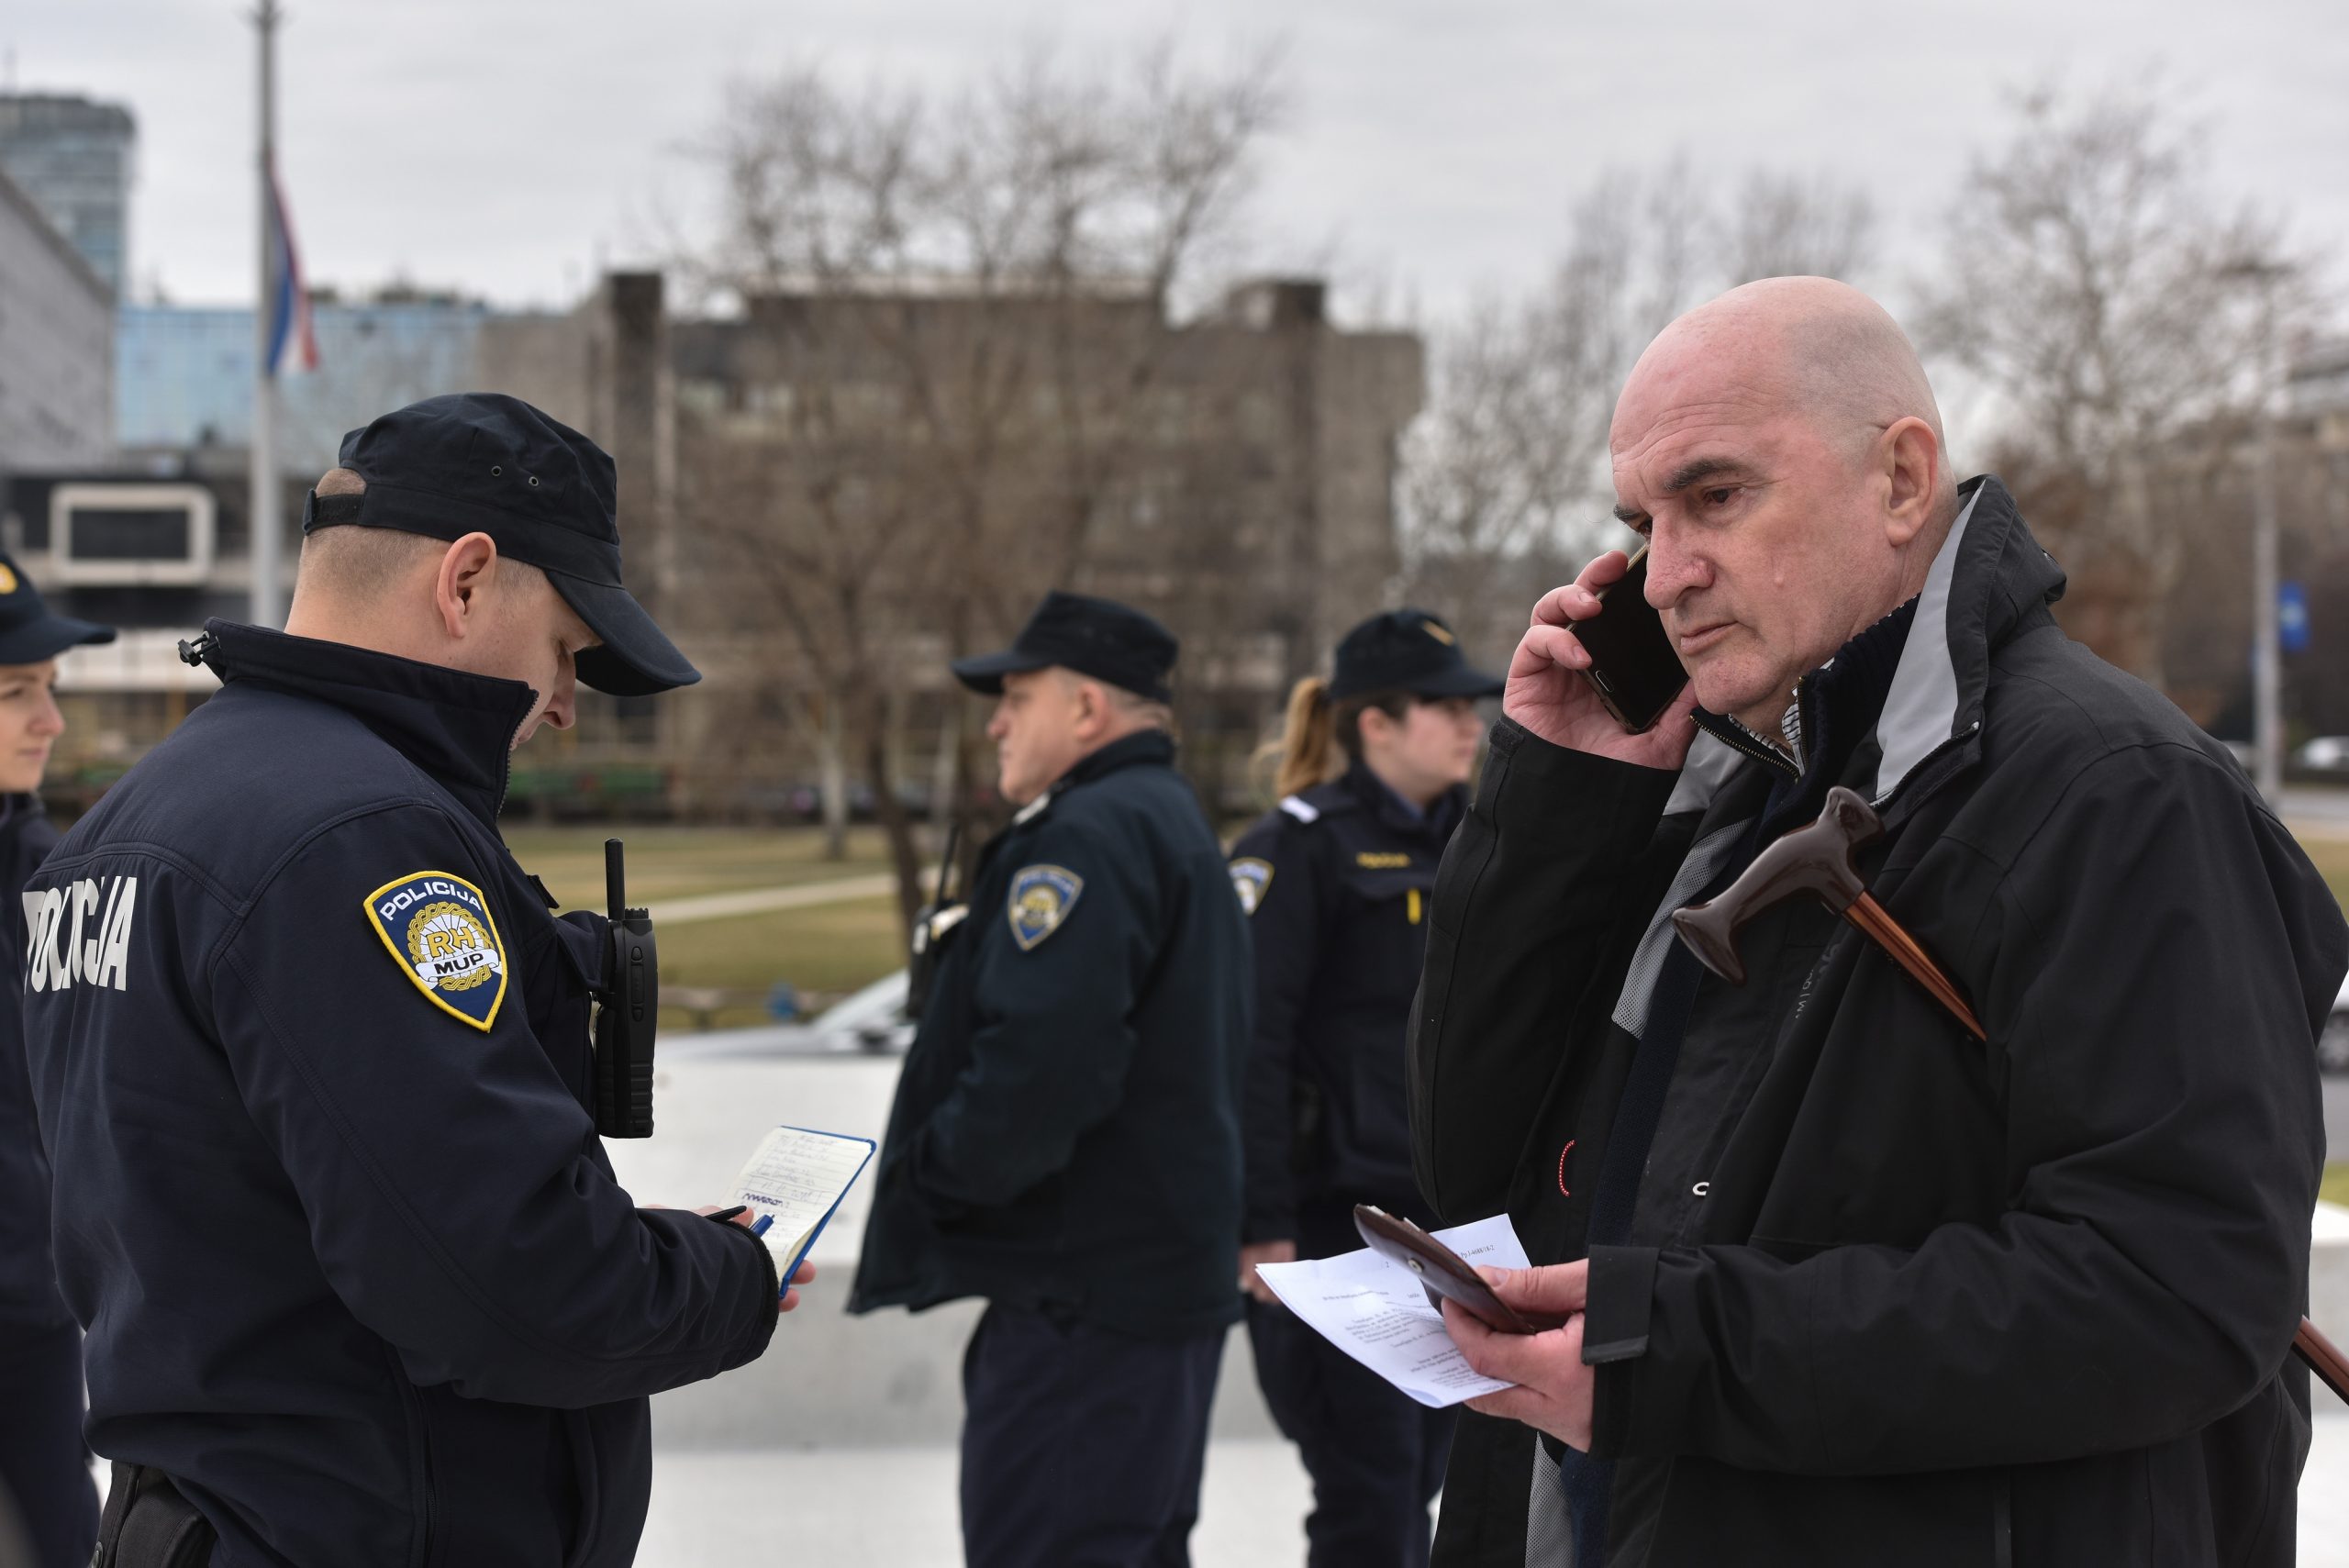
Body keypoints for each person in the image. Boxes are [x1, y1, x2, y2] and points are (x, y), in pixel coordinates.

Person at [1408, 278, 2346, 1567]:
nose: (1666, 574)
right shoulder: (1727, 779)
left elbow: (2177, 1293)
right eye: (1641, 520)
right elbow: (1474, 1169)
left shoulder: (2112, 794)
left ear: (1903, 480)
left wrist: (1672, 1349)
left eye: (1717, 496)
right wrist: (1558, 803)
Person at [22, 394, 803, 1567]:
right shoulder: (355, 835)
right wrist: (731, 1274)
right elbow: (510, 1285)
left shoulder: (127, 821)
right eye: (565, 648)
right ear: (469, 579)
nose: (563, 704)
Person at [851, 590, 1252, 1568]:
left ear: (1085, 711)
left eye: (1015, 697)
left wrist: (934, 1174)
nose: (994, 720)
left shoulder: (1086, 833)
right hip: (1150, 1294)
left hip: (1083, 1305)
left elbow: (1043, 1064)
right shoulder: (1168, 820)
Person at [1227, 608, 1502, 1568]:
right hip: (1334, 1225)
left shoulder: (1485, 837)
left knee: (1438, 1482)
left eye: (1472, 700)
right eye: (1441, 702)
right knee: (1371, 1499)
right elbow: (1248, 1048)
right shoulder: (1297, 846)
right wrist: (1258, 1224)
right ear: (1373, 722)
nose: (1470, 719)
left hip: (1458, 1229)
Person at [0, 558, 113, 1568]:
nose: (50, 722)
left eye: (49, 689)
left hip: (37, 1314)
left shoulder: (50, 874)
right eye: (14, 693)